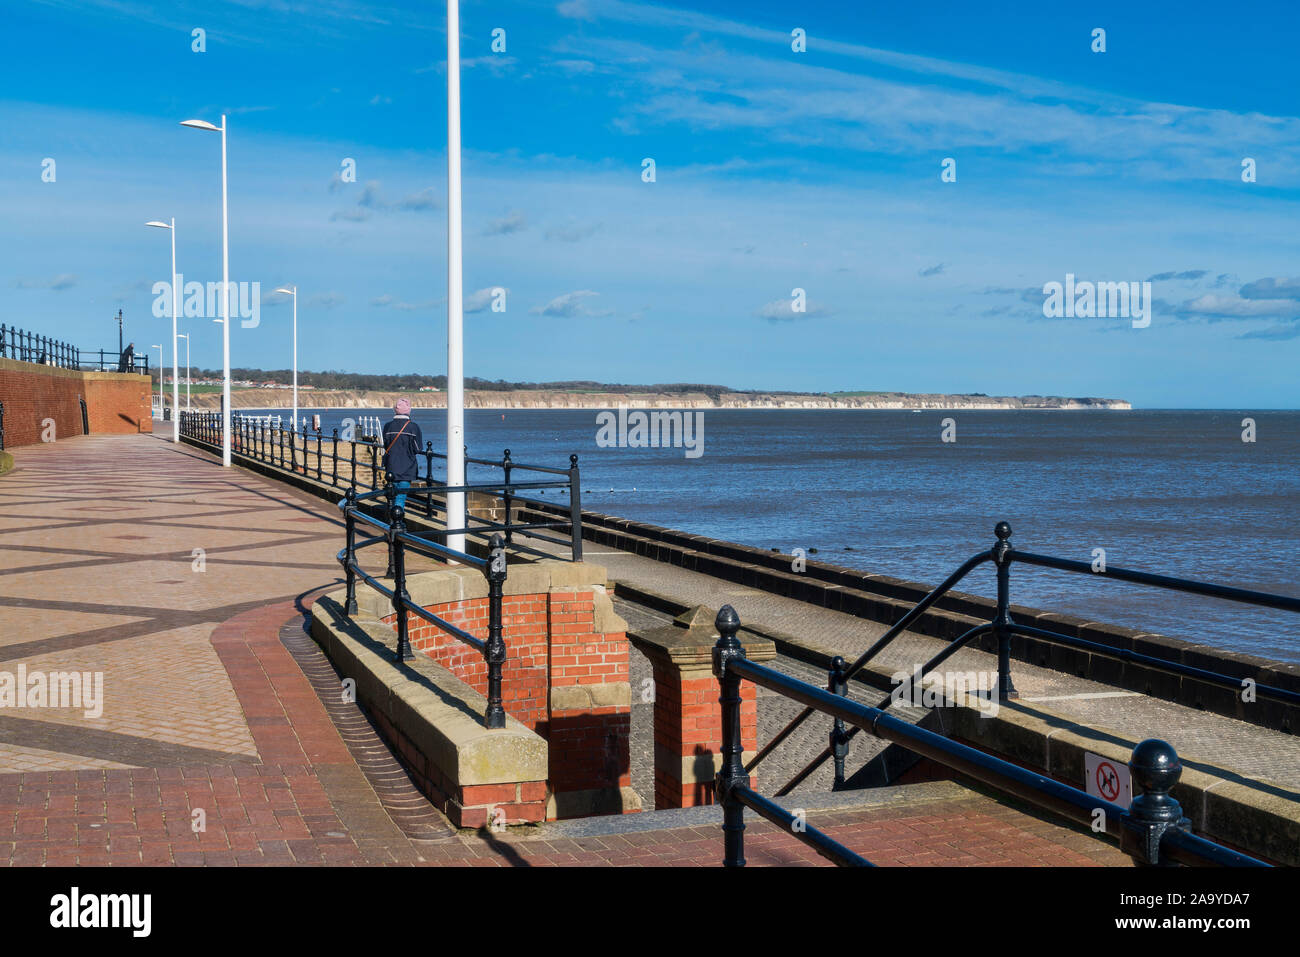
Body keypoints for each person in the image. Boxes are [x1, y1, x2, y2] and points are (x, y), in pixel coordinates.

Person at [381, 398, 424, 517]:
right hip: (407, 467)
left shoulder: (387, 426)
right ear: (408, 410)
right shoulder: (413, 427)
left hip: (391, 466)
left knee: (393, 494)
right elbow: (418, 448)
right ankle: (397, 521)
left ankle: (392, 518)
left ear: (395, 410)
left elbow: (385, 445)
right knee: (401, 496)